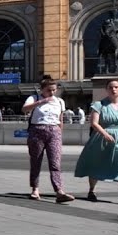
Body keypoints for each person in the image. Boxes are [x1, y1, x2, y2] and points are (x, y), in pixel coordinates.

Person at [73, 78, 118, 206]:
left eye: (116, 87)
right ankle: (91, 191)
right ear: (106, 89)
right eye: (110, 87)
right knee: (96, 164)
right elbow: (94, 123)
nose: (113, 89)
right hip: (101, 137)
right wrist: (105, 134)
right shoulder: (99, 105)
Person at [22, 75, 74, 203]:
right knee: (36, 161)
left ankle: (59, 191)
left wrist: (59, 133)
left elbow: (61, 119)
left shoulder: (60, 101)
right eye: (49, 90)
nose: (52, 92)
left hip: (54, 131)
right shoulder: (34, 98)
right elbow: (24, 109)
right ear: (42, 89)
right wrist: (41, 102)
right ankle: (35, 189)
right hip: (37, 130)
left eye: (54, 90)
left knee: (55, 163)